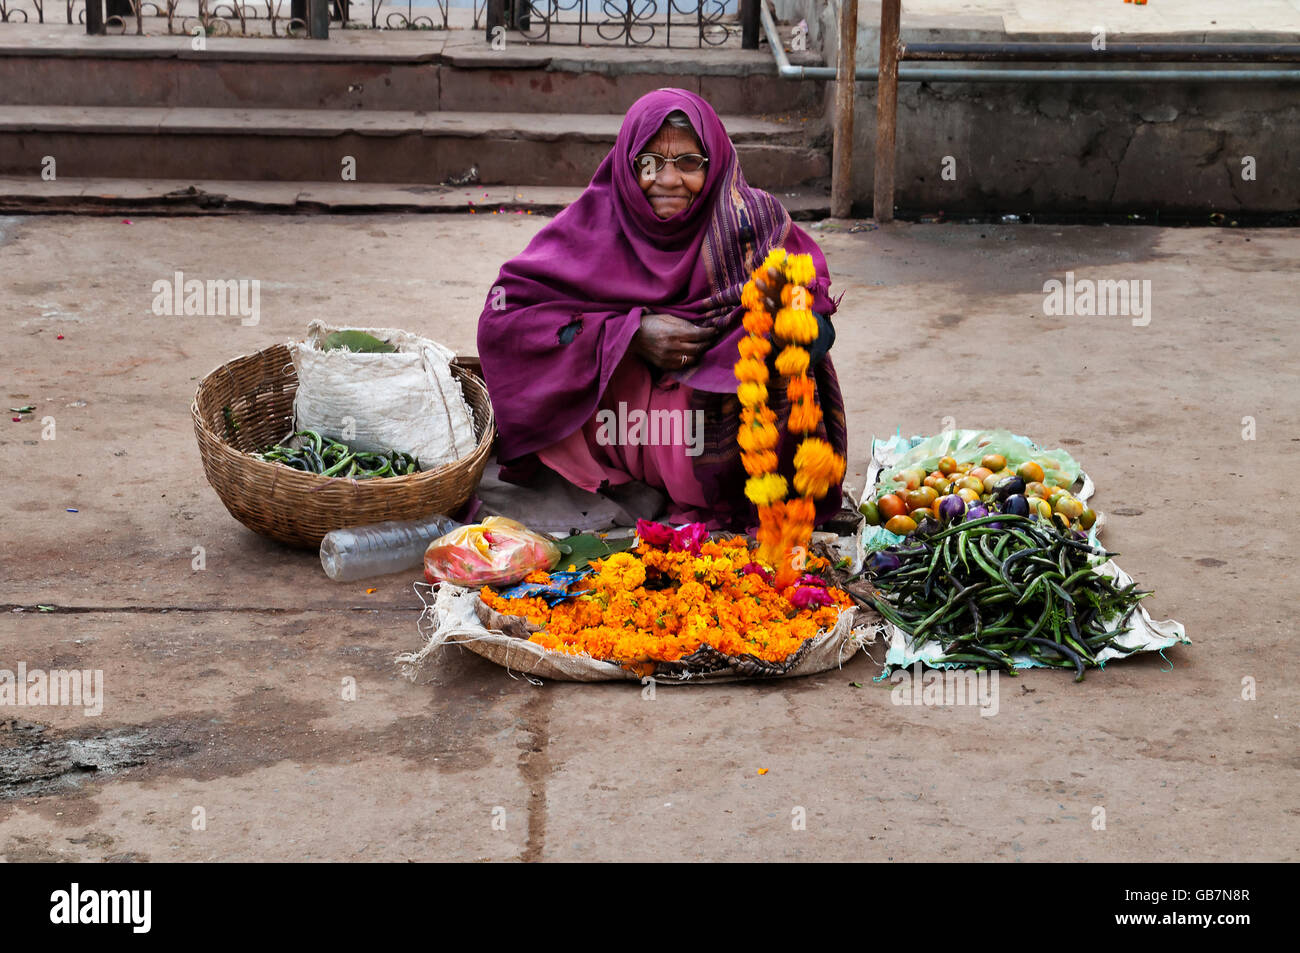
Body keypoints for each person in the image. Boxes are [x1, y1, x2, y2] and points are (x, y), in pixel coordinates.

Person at [476, 87, 846, 530]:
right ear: (626, 166)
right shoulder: (594, 224)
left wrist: (769, 334)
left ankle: (738, 499)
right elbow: (506, 319)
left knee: (793, 367)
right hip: (620, 431)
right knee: (583, 346)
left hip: (720, 438)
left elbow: (816, 316)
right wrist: (630, 335)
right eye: (648, 164)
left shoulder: (753, 221)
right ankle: (628, 479)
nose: (668, 181)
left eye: (689, 163)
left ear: (715, 166)